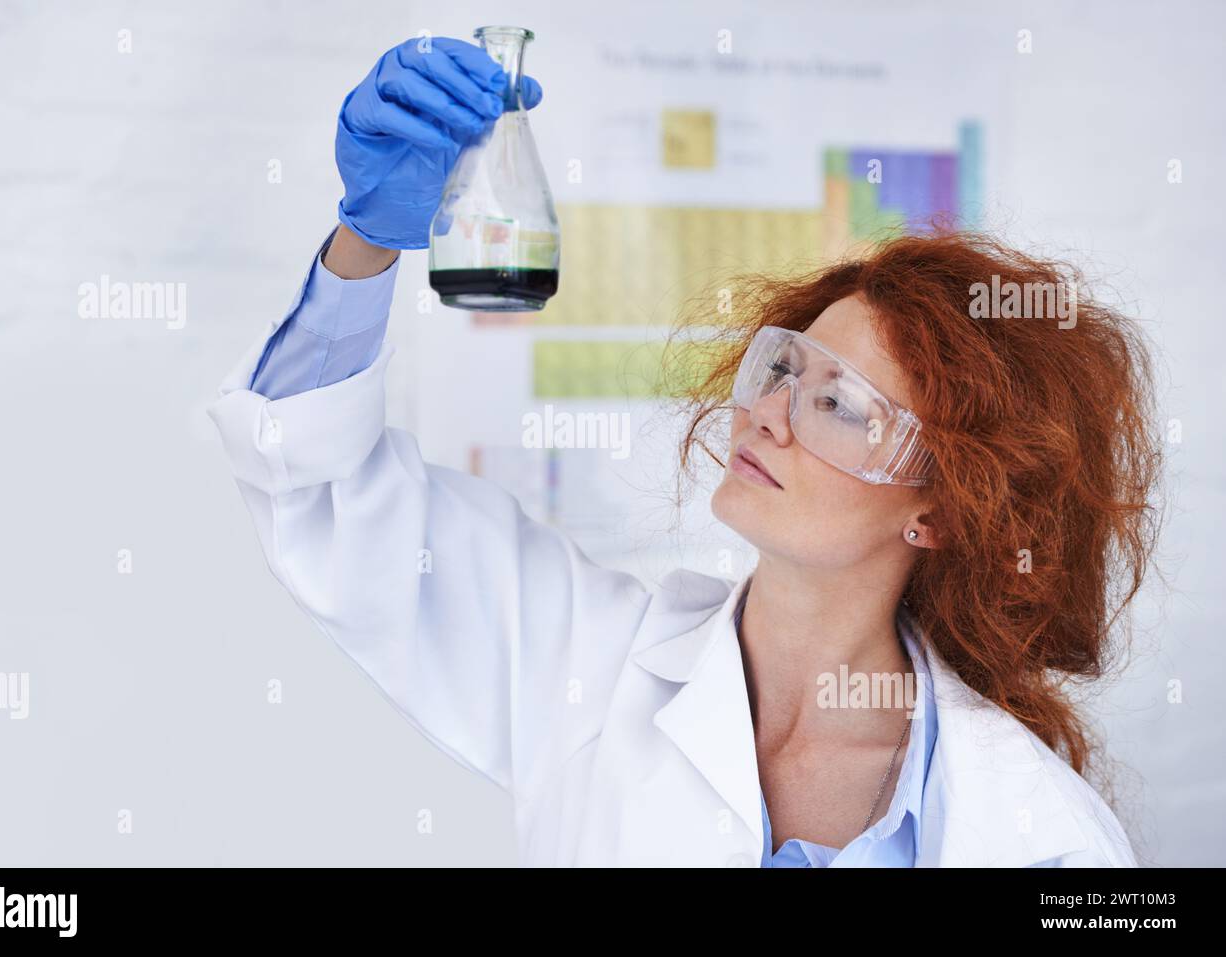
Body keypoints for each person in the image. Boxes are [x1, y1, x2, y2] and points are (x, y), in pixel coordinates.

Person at [208, 36, 1162, 866]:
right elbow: (319, 485)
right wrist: (365, 241)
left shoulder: (1041, 832)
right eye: (783, 367)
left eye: (838, 403)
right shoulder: (585, 662)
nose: (770, 414)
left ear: (942, 509)